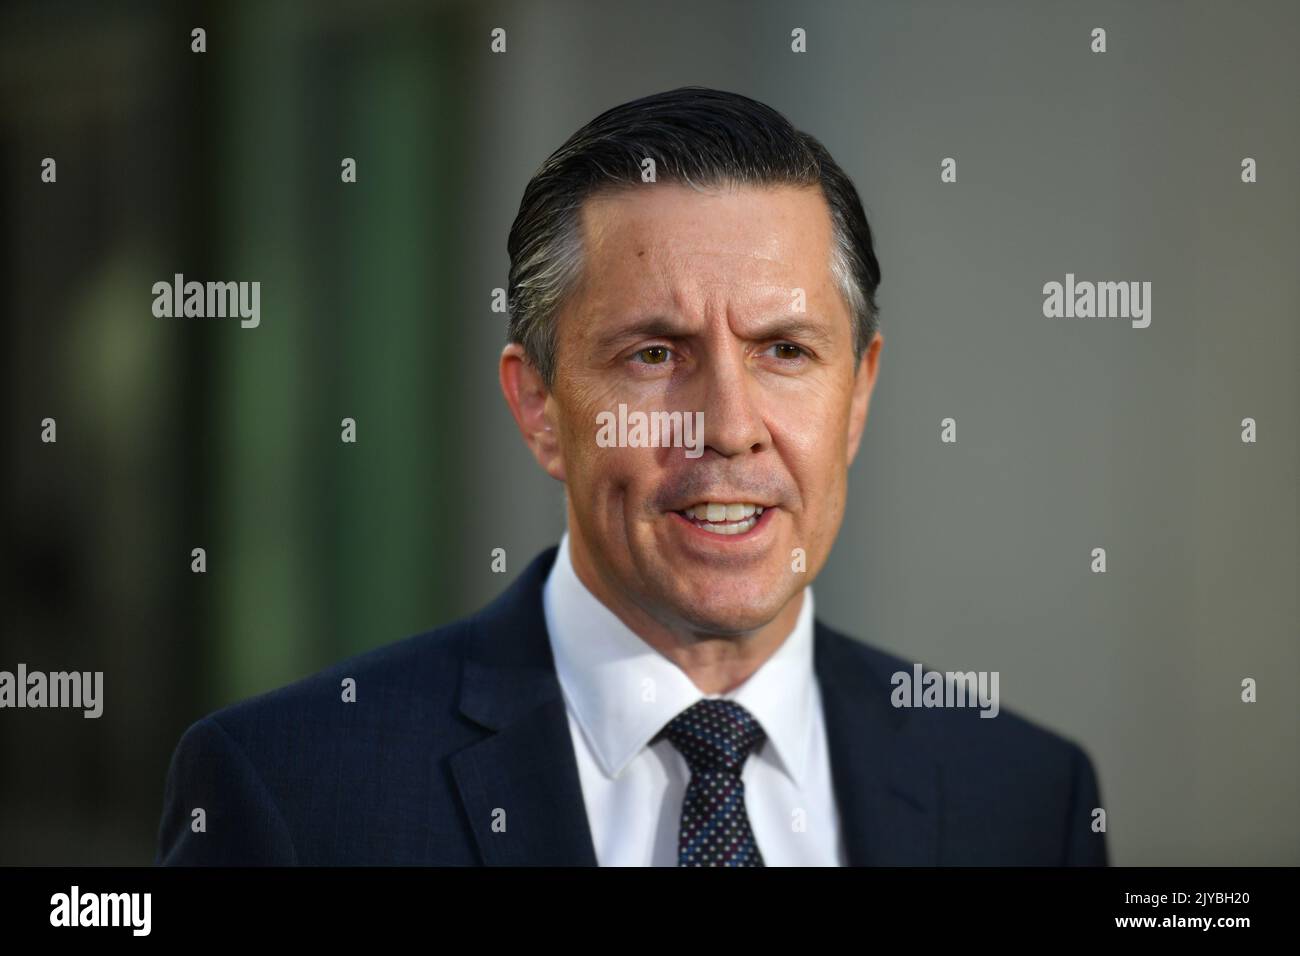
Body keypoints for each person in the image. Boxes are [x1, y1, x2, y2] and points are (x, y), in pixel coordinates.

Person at [156, 87, 1107, 866]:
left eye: (783, 350)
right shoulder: (293, 795)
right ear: (539, 408)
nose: (730, 428)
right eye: (655, 354)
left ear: (857, 396)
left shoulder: (1024, 796)